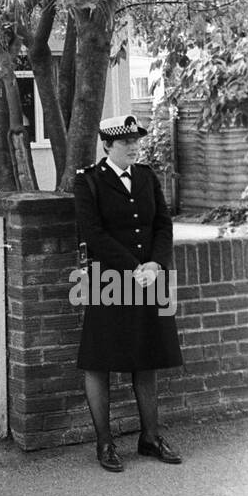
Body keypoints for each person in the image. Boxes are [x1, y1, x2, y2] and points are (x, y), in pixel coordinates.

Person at [74, 114, 183, 473]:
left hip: (149, 279)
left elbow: (162, 224)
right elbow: (94, 233)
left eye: (136, 141)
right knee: (100, 359)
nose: (134, 146)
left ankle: (150, 438)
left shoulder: (147, 177)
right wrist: (133, 267)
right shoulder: (89, 182)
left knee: (147, 354)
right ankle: (105, 443)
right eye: (126, 143)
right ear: (107, 145)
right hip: (109, 280)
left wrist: (154, 264)